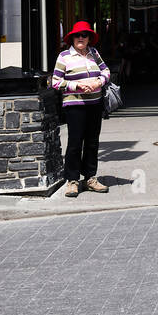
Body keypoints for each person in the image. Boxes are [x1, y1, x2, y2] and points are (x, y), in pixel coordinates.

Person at [49, 20, 111, 198]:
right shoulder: (64, 57)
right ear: (72, 38)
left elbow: (106, 71)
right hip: (75, 105)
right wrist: (77, 86)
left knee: (92, 142)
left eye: (85, 35)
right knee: (75, 143)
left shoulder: (94, 53)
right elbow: (55, 82)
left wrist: (99, 81)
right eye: (77, 35)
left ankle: (90, 178)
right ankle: (72, 180)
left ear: (89, 38)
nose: (81, 38)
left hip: (95, 103)